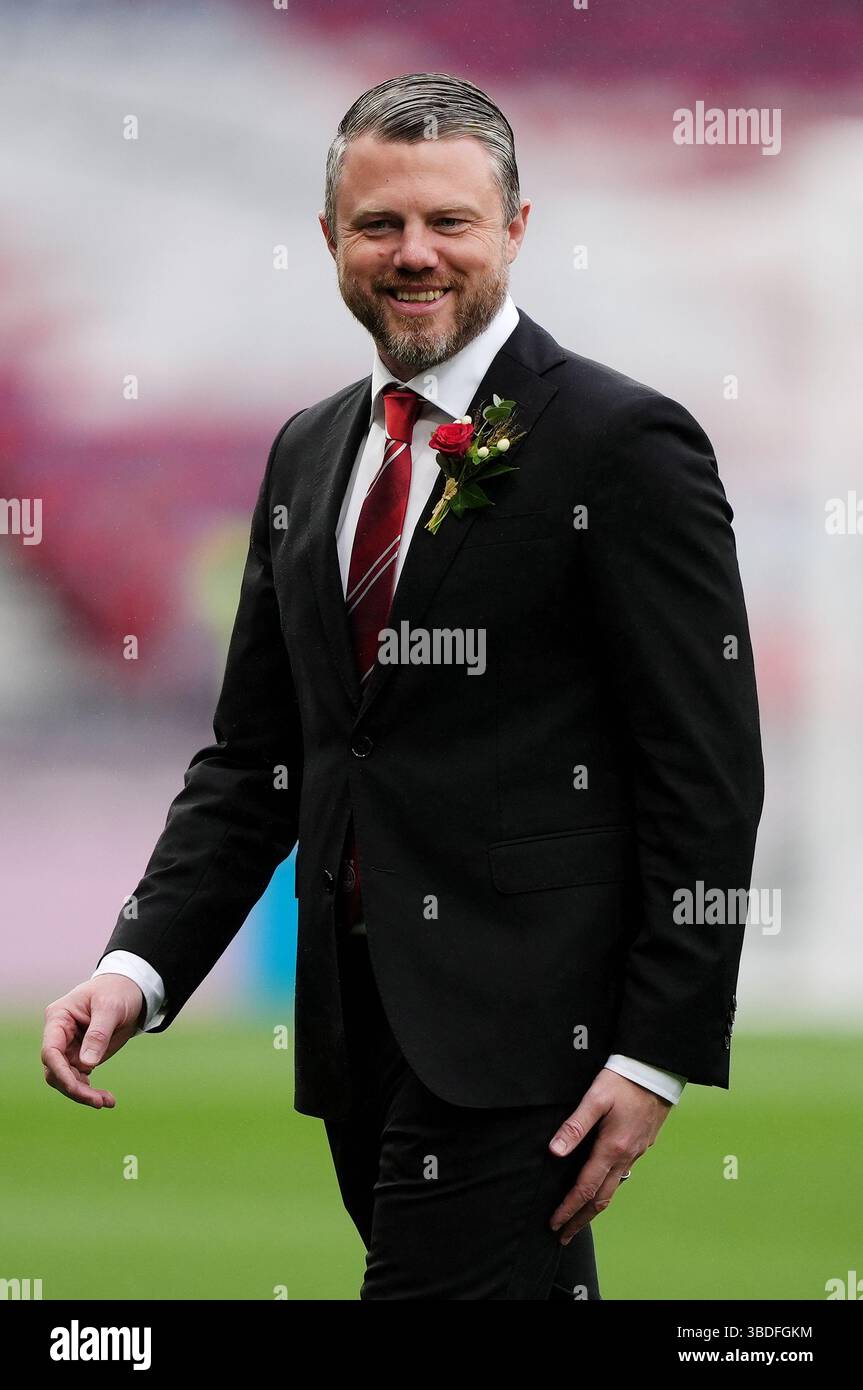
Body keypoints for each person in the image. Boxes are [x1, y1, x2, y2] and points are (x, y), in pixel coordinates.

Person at [42, 72, 764, 1300]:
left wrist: (654, 1051)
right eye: (379, 225)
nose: (413, 254)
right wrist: (139, 964)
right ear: (329, 238)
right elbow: (257, 758)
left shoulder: (620, 442)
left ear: (515, 231)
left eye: (449, 222)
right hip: (352, 1031)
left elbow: (704, 767)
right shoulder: (306, 450)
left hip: (529, 1038)